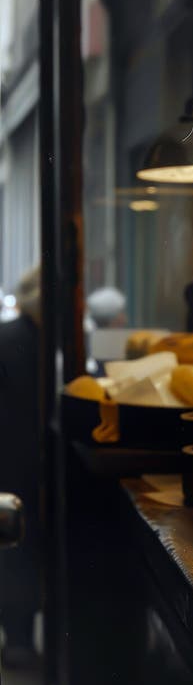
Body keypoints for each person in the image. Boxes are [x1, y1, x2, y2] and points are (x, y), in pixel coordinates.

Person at [0, 265, 41, 662]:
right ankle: (18, 641)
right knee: (22, 550)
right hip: (25, 463)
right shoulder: (35, 340)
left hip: (13, 462)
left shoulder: (9, 335)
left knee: (17, 551)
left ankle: (18, 639)